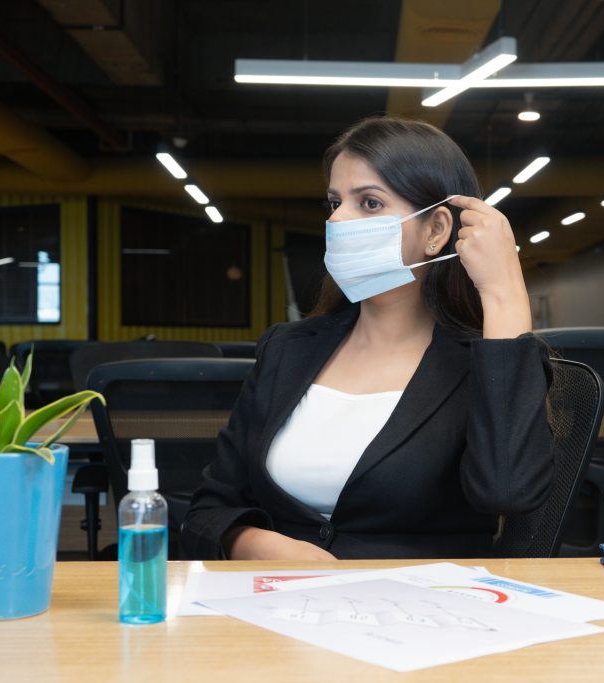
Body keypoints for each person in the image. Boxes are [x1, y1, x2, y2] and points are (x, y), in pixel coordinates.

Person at [181, 117, 554, 560]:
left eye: (370, 203)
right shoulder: (286, 348)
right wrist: (257, 543)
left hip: (423, 614)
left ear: (435, 231)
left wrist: (503, 293)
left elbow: (507, 493)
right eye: (334, 202)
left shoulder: (486, 360)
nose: (338, 220)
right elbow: (207, 510)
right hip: (278, 605)